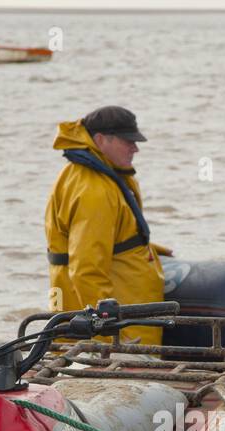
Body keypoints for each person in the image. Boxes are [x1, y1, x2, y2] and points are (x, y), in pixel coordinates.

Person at [44, 105, 170, 345]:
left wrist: (143, 246)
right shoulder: (95, 190)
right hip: (115, 326)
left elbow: (95, 238)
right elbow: (86, 270)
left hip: (85, 297)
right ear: (101, 140)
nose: (135, 148)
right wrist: (111, 335)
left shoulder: (83, 173)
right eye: (128, 141)